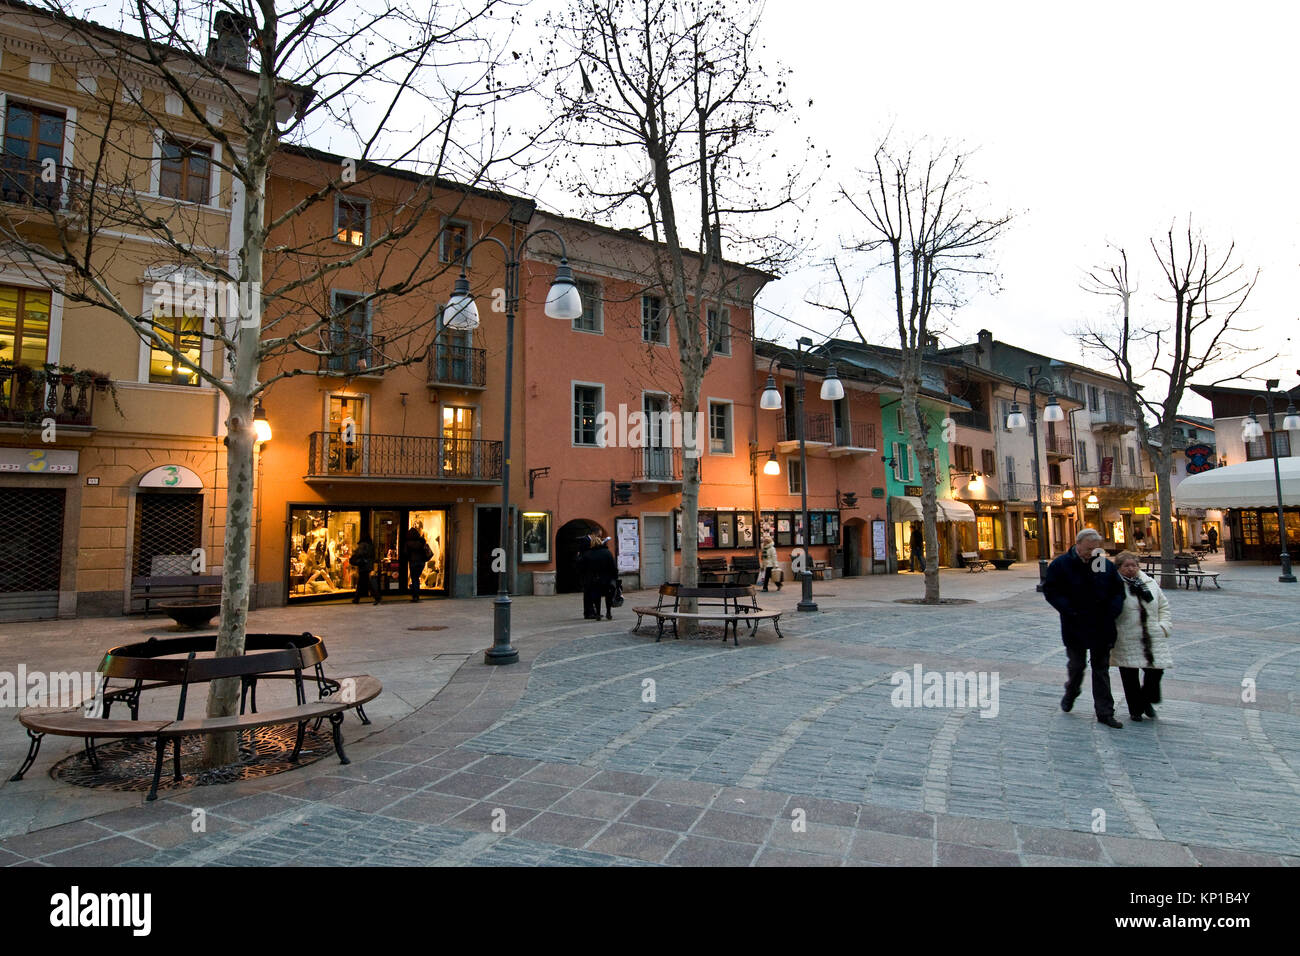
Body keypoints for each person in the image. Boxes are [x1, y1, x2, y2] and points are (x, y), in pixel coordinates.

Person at [1043, 528, 1126, 727]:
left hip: (1102, 625)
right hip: (1075, 625)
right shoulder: (1062, 565)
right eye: (1089, 549)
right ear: (1078, 544)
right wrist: (1069, 610)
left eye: (1096, 549)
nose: (1092, 553)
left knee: (1101, 669)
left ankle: (1105, 713)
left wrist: (1113, 610)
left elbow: (1118, 591)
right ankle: (1072, 691)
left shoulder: (1103, 565)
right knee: (1077, 666)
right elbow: (1051, 591)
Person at [1111, 550, 1173, 722]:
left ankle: (1146, 700)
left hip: (1151, 635)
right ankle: (1135, 710)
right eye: (1126, 566)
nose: (1131, 569)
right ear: (1119, 568)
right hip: (1126, 635)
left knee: (1156, 671)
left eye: (1134, 565)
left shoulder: (1149, 582)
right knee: (1129, 675)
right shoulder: (1114, 585)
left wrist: (1164, 626)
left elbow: (1163, 606)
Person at [580, 533, 617, 620]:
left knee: (597, 597)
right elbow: (613, 566)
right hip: (607, 579)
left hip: (594, 579)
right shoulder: (607, 553)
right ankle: (608, 612)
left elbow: (582, 566)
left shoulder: (588, 554)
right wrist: (614, 577)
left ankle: (598, 613)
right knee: (608, 596)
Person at [405, 522, 431, 601]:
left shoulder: (408, 543)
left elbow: (405, 553)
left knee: (414, 578)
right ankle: (416, 595)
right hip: (421, 563)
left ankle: (415, 596)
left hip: (413, 562)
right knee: (416, 578)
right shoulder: (422, 541)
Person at [350, 531, 377, 604]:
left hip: (363, 566)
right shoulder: (370, 545)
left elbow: (359, 553)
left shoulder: (363, 545)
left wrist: (354, 555)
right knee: (362, 582)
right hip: (368, 565)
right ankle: (357, 598)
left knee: (364, 582)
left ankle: (376, 596)